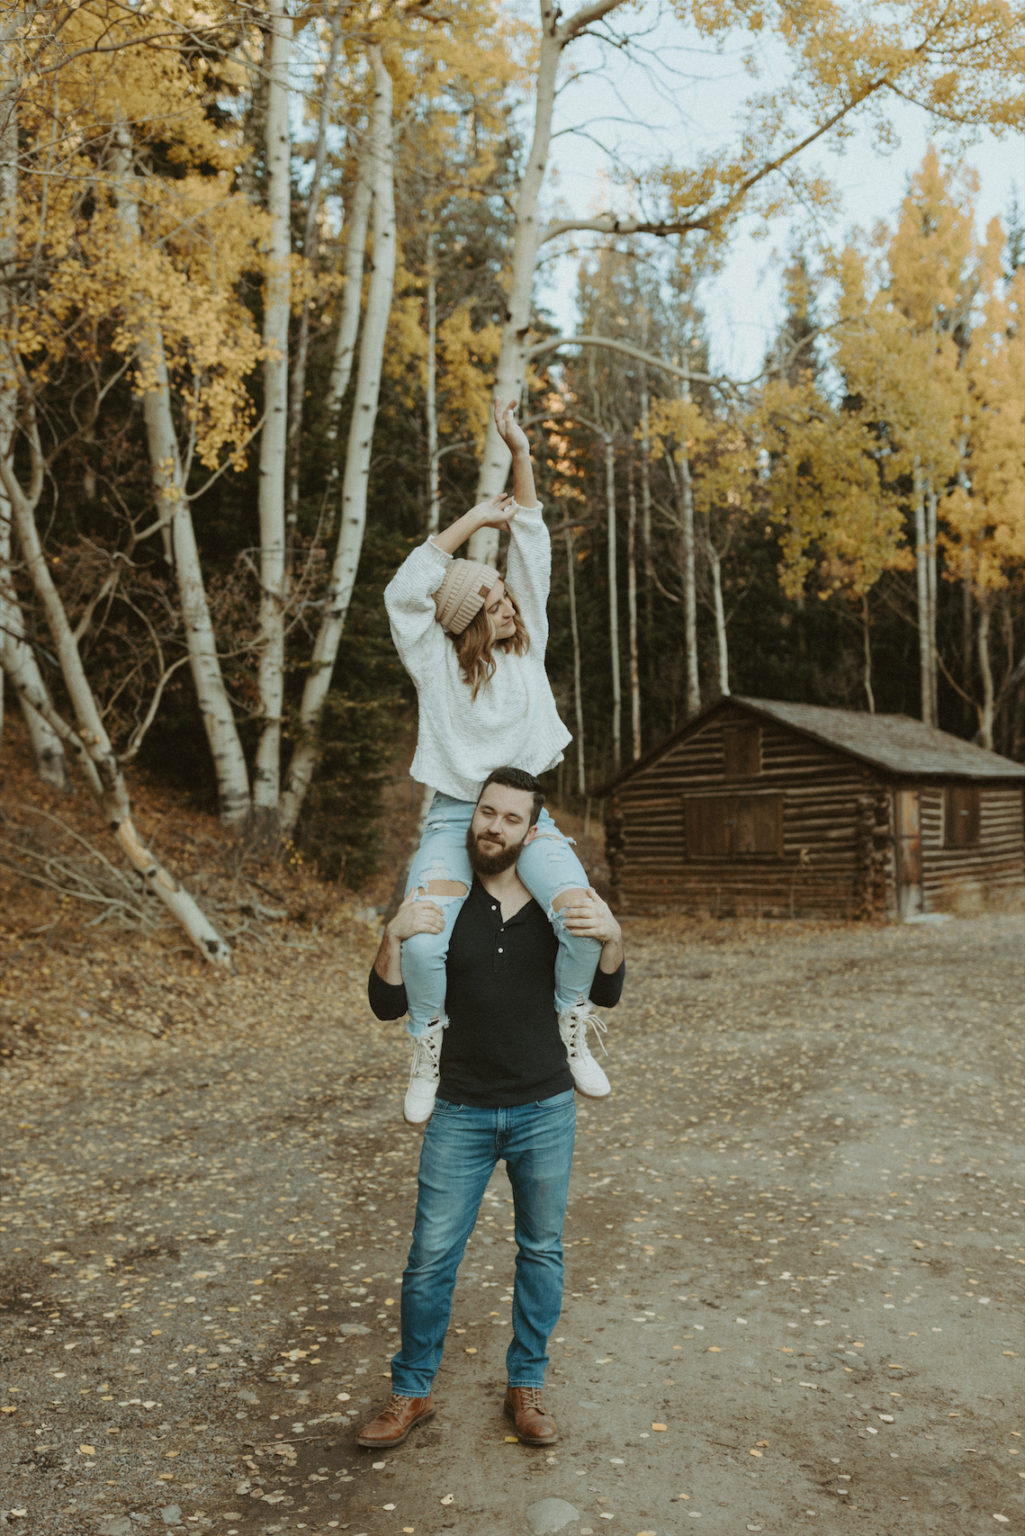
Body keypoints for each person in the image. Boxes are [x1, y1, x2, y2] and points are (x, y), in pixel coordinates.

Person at [357, 767, 625, 1451]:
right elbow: (388, 1004)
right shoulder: (445, 897)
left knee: (540, 1251)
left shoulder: (551, 902)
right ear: (469, 818)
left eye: (509, 818)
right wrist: (392, 933)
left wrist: (615, 936)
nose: (493, 827)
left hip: (543, 1106)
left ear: (531, 833)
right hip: (458, 1109)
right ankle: (411, 1392)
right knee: (429, 1259)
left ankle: (525, 1386)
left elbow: (608, 990)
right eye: (485, 813)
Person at [384, 398, 609, 1125]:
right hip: (456, 819)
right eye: (489, 597)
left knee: (580, 918)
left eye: (502, 590)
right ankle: (427, 1046)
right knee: (420, 935)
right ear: (461, 618)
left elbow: (533, 543)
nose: (506, 600)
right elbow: (404, 590)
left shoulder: (528, 647)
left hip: (530, 817)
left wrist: (521, 452)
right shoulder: (433, 662)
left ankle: (569, 1026)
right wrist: (473, 522)